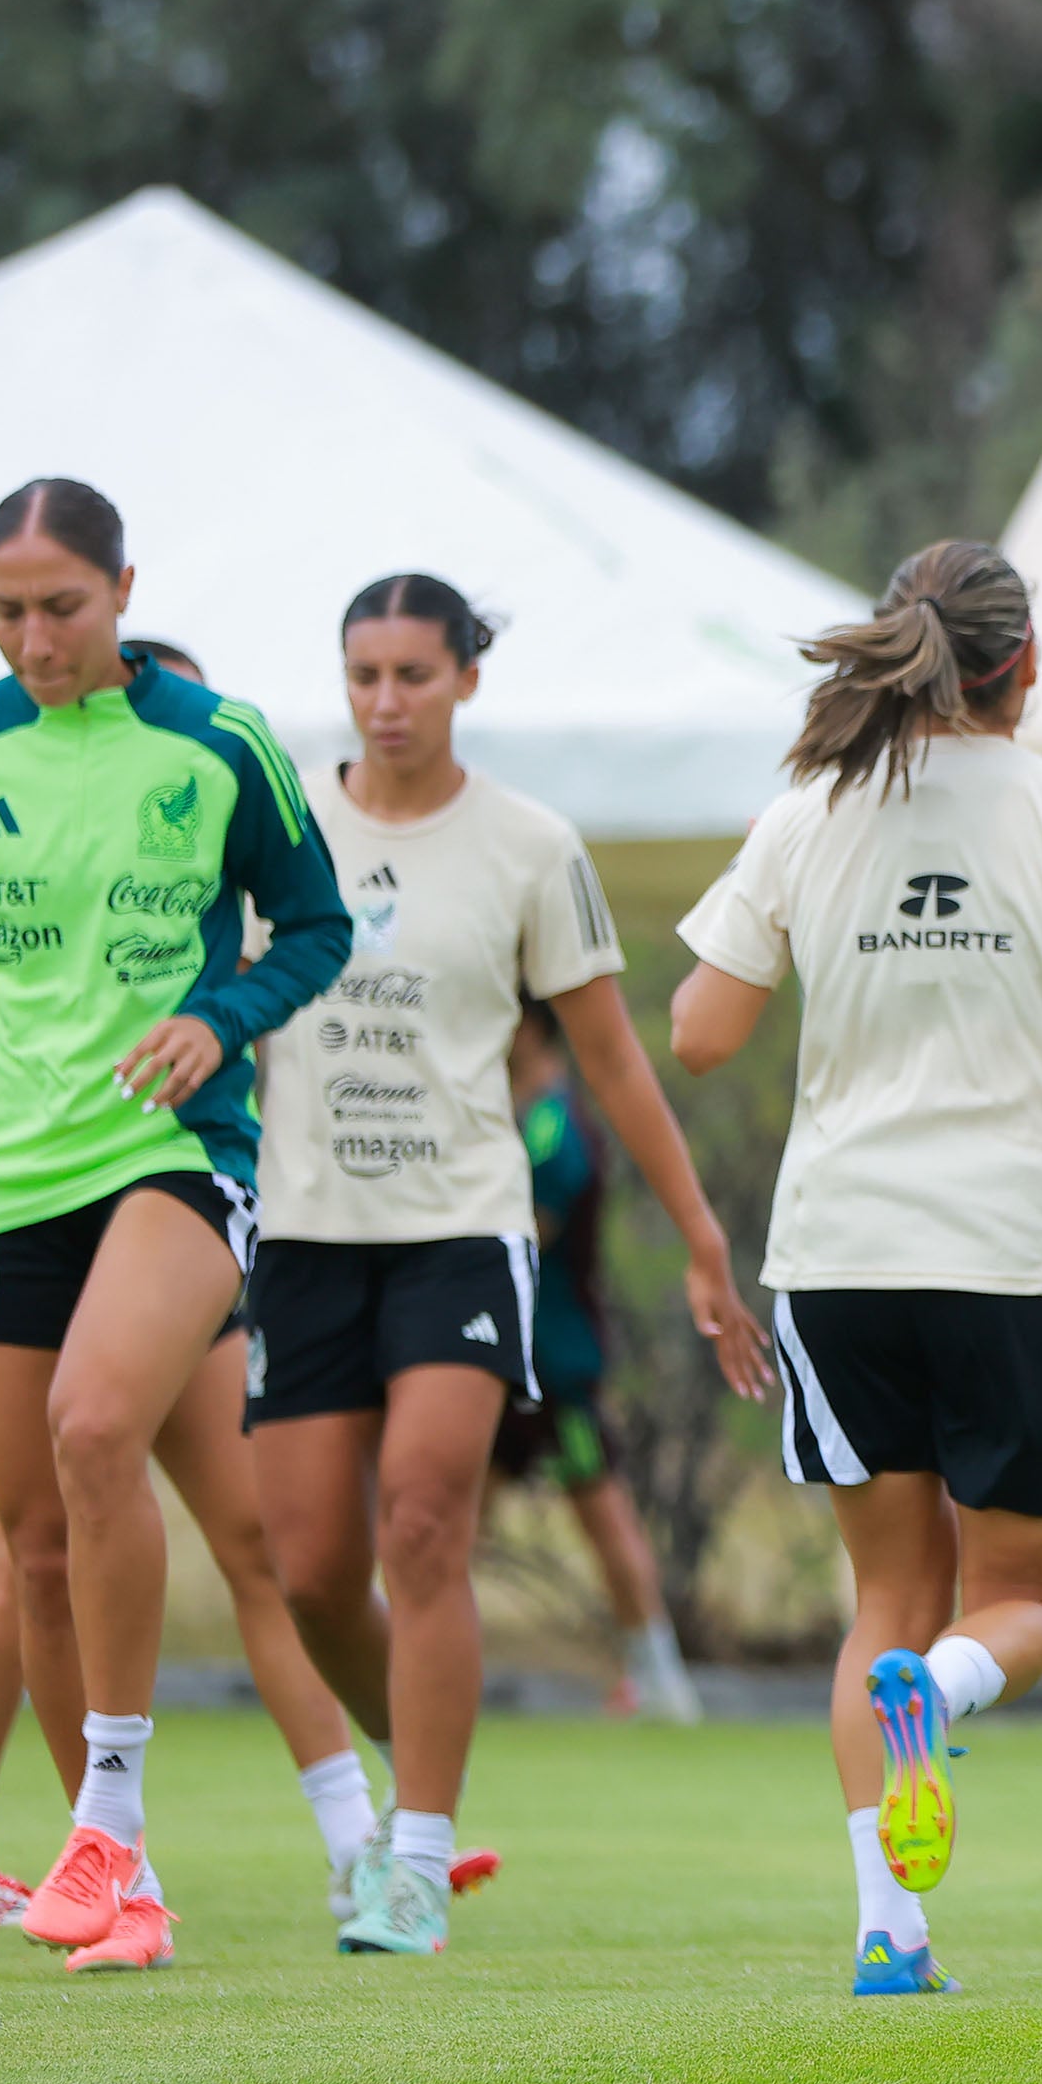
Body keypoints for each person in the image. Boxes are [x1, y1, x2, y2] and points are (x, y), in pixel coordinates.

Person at [673, 540, 1042, 1998]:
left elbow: (701, 1034)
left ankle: (889, 1933)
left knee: (885, 1600)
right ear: (1025, 665)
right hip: (1019, 1255)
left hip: (842, 1258)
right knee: (1014, 1599)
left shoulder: (808, 813)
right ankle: (952, 1690)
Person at [248, 574, 766, 1957]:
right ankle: (407, 1731)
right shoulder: (281, 827)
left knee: (424, 1524)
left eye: (414, 672)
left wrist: (702, 1232)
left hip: (459, 1234)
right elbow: (220, 1012)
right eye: (364, 673)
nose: (386, 700)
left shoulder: (531, 845)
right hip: (303, 1237)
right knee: (306, 1569)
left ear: (465, 680)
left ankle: (413, 1861)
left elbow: (610, 1054)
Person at [0, 478, 352, 1965]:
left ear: (124, 590)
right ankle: (123, 1889)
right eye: (7, 611)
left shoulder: (221, 743)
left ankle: (110, 1825)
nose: (35, 639)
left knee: (94, 1432)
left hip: (173, 1155)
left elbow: (320, 923)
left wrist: (224, 1013)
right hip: (5, 1174)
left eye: (61, 608)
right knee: (32, 1546)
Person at [498, 997, 705, 1723]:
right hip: (490, 1352)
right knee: (439, 1511)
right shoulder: (508, 1108)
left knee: (600, 1505)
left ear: (527, 1024)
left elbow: (536, 1220)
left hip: (552, 1360)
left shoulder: (551, 1119)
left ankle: (659, 1675)